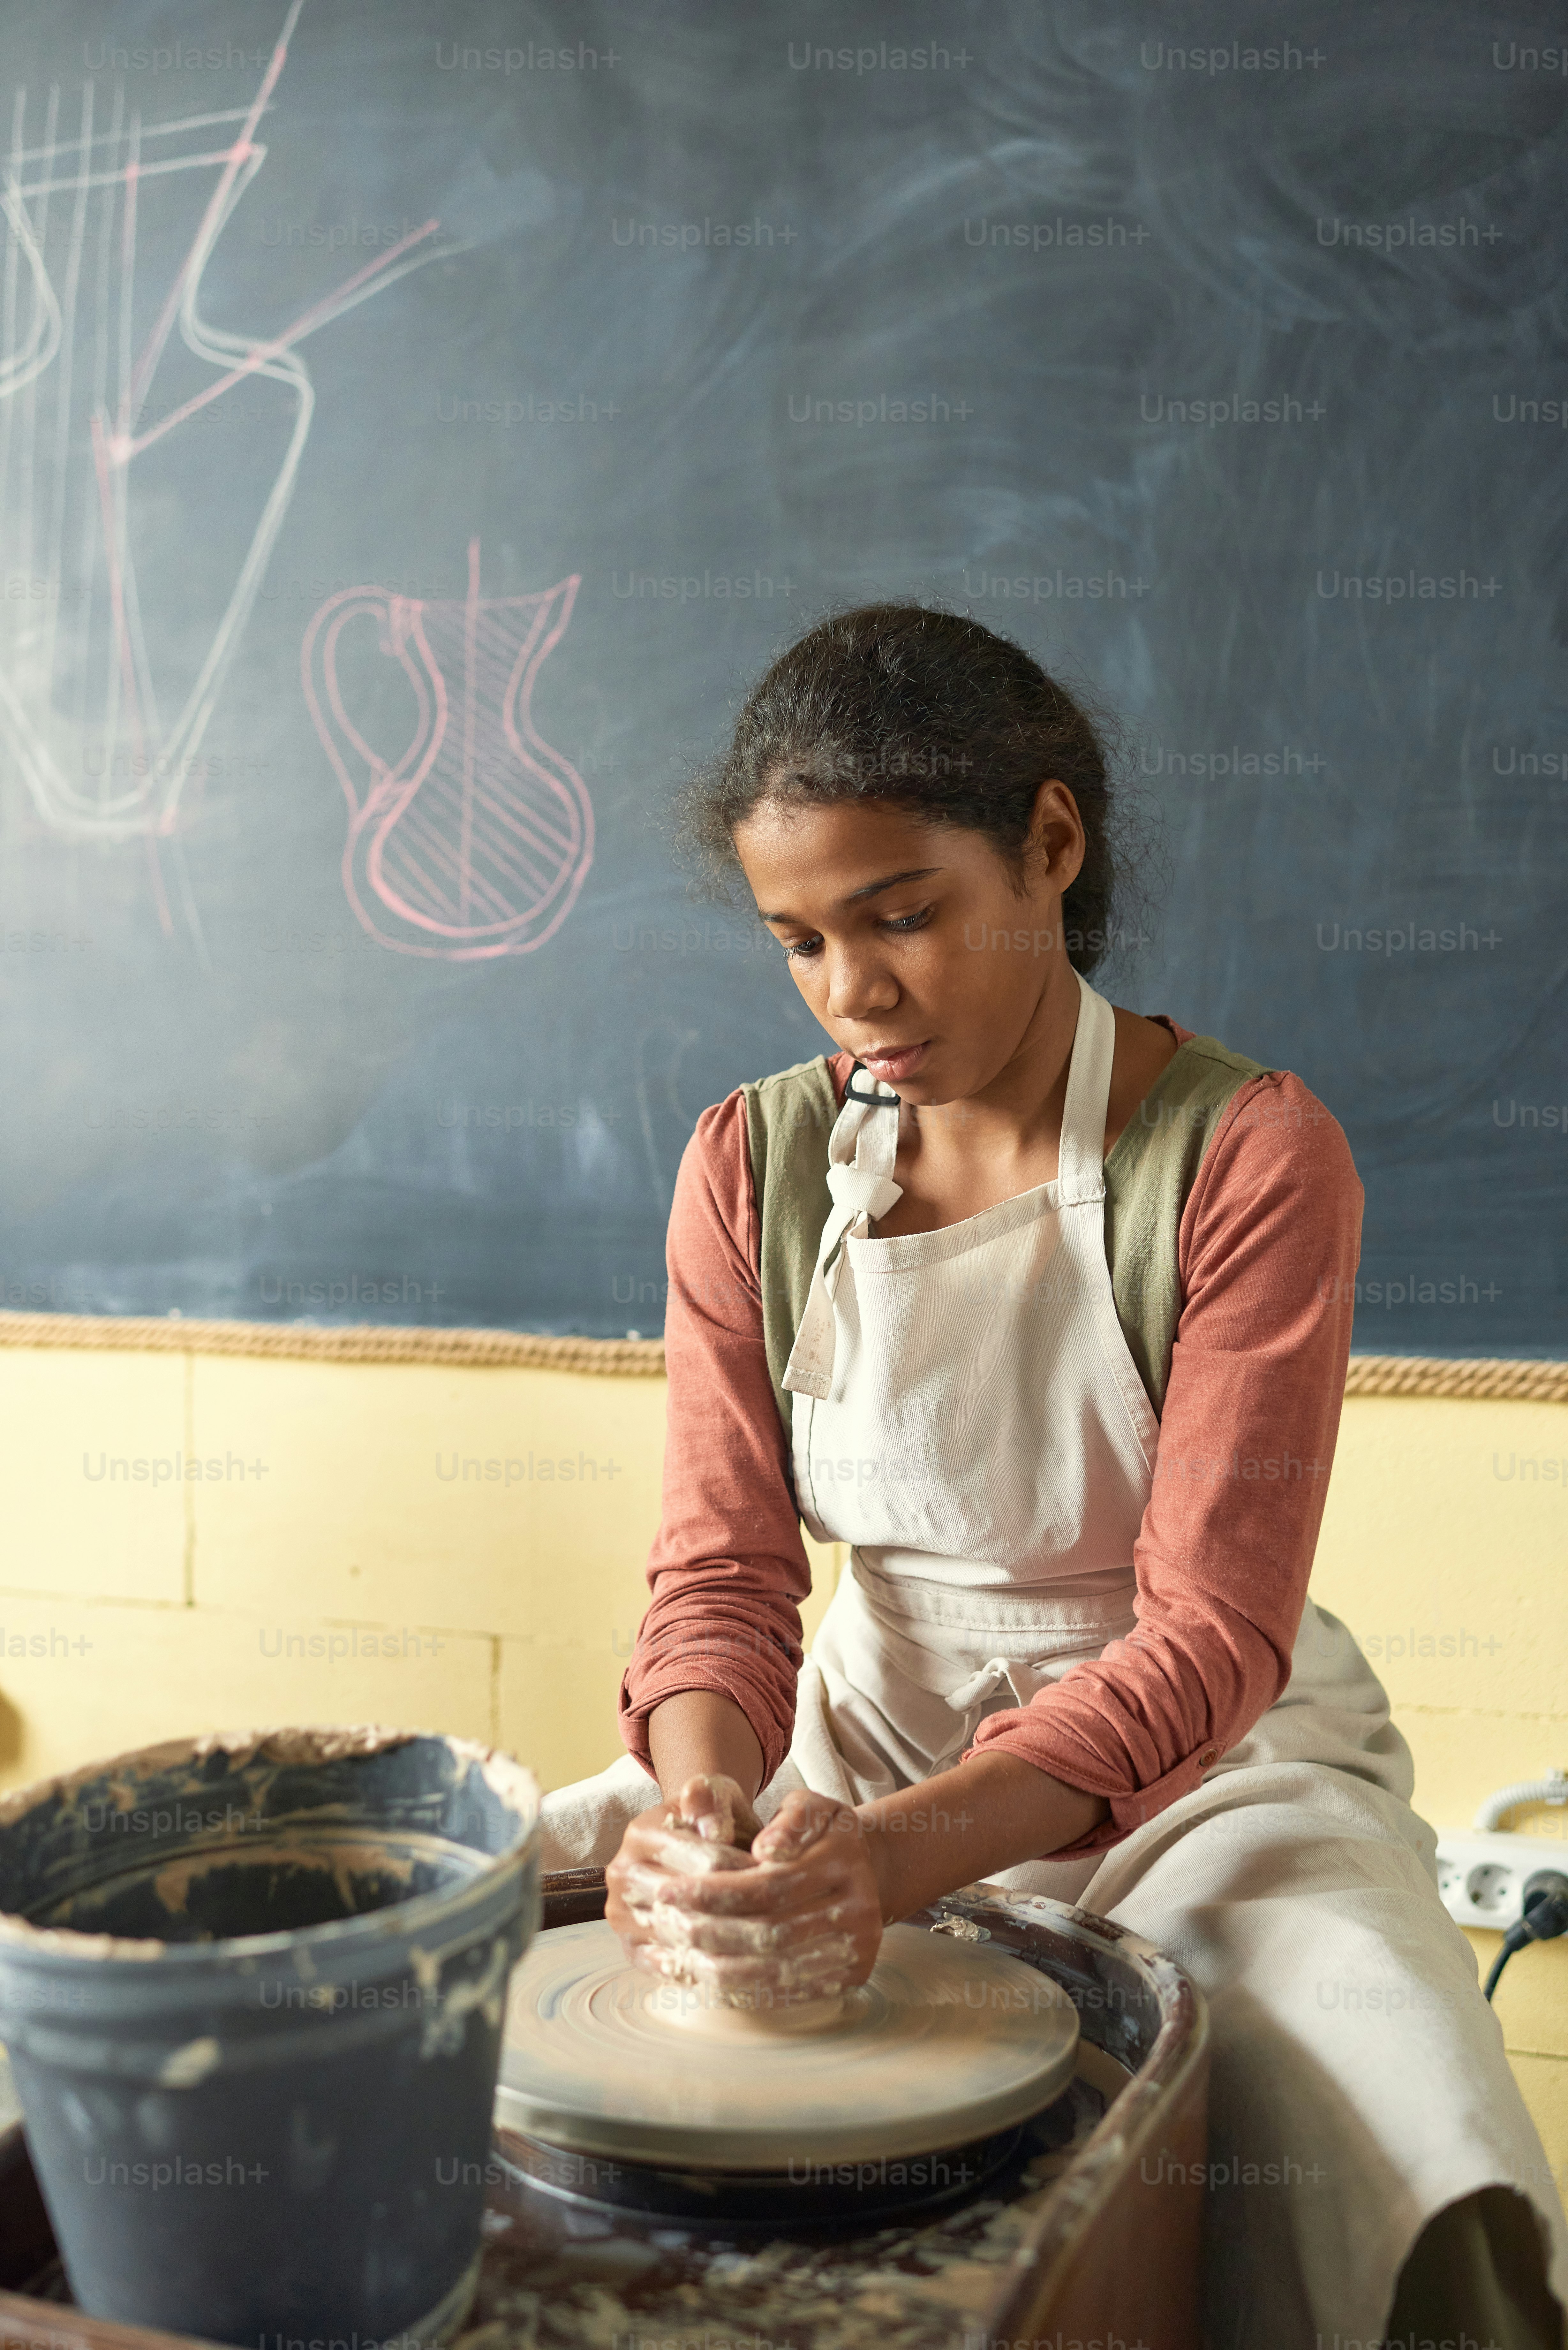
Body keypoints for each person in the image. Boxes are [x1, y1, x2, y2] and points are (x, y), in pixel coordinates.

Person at [541, 604, 1567, 2348]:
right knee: (487, 1912)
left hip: (1208, 1779)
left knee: (1417, 2146)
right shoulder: (753, 1161)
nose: (851, 994)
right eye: (798, 940)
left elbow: (1211, 1640)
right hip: (853, 1745)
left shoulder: (1245, 1155)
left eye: (904, 916)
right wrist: (709, 1807)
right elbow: (719, 1580)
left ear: (1051, 842)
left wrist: (899, 1863)